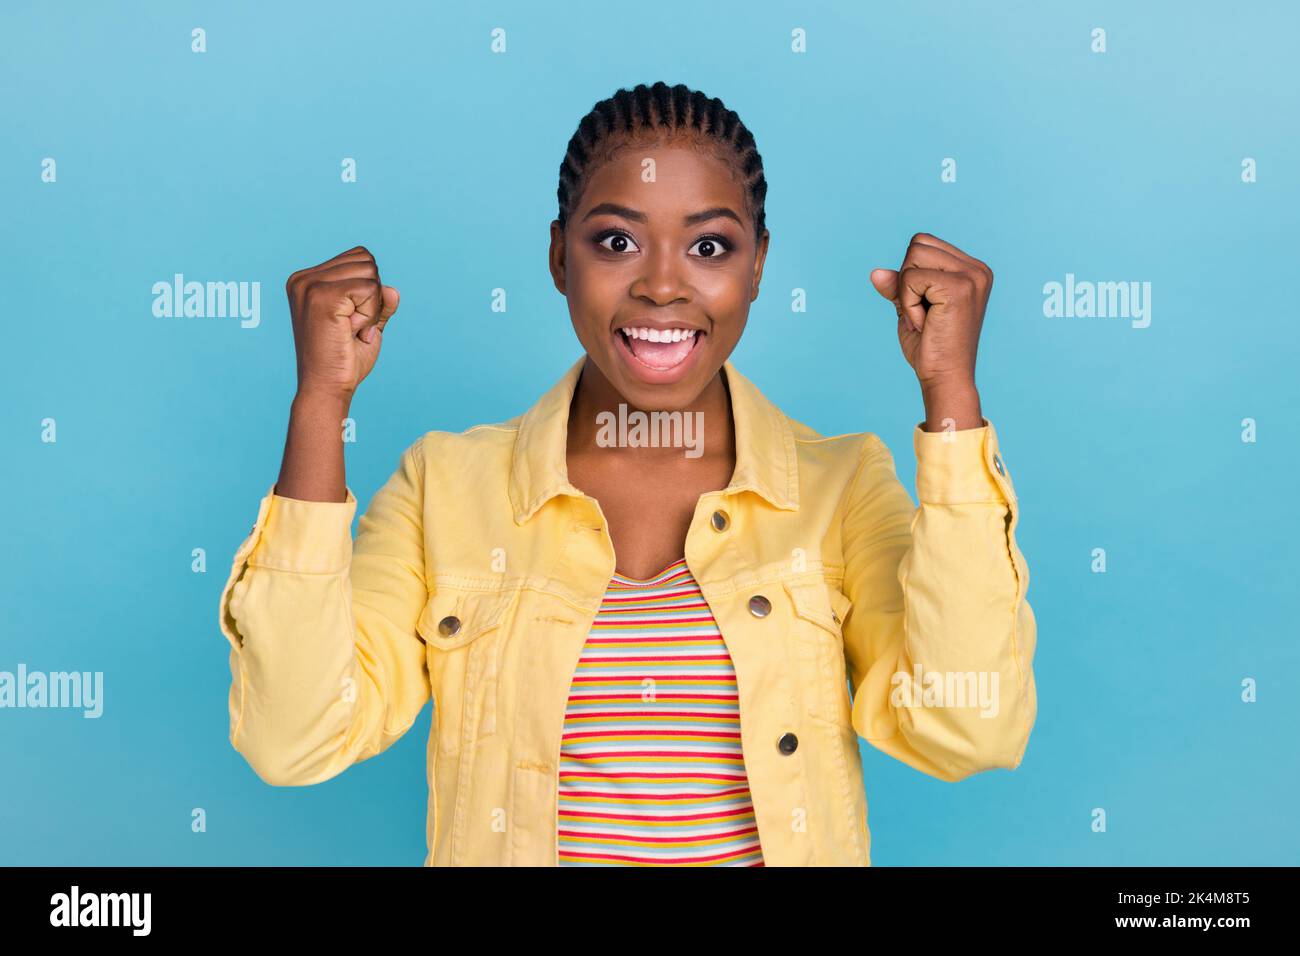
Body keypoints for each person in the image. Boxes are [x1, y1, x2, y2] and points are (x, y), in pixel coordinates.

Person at [217, 81, 1037, 867]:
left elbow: (967, 727)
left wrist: (950, 395)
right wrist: (322, 401)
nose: (662, 285)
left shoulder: (842, 486)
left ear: (757, 267)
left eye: (710, 246)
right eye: (616, 241)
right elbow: (295, 736)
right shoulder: (445, 486)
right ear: (557, 257)